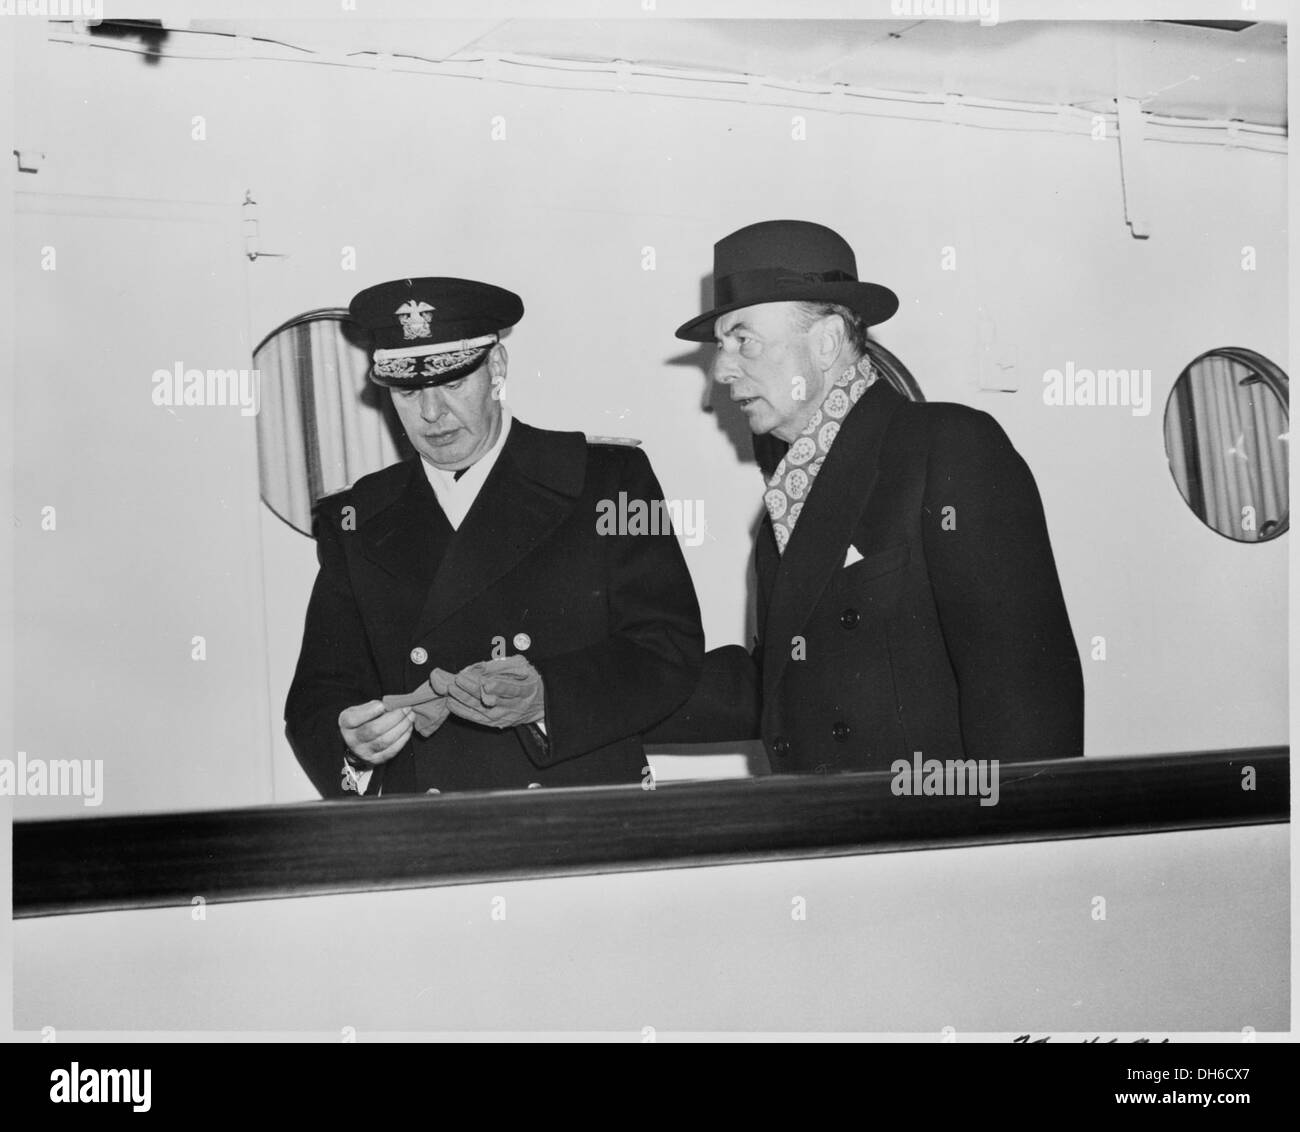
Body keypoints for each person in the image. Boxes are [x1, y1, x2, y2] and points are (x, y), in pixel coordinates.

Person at [653, 220, 1083, 769]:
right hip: (834, 843)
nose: (722, 369)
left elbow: (1026, 699)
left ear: (828, 341)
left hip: (927, 842)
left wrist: (1011, 852)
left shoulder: (948, 447)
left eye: (744, 339)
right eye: (721, 345)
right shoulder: (785, 502)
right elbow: (780, 683)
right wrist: (573, 700)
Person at [286, 276, 703, 797]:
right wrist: (354, 747)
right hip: (424, 831)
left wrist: (549, 698)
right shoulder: (356, 516)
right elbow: (318, 694)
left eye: (454, 384)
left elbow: (667, 649)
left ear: (497, 369)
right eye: (408, 392)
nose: (431, 414)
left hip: (574, 814)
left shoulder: (608, 480)